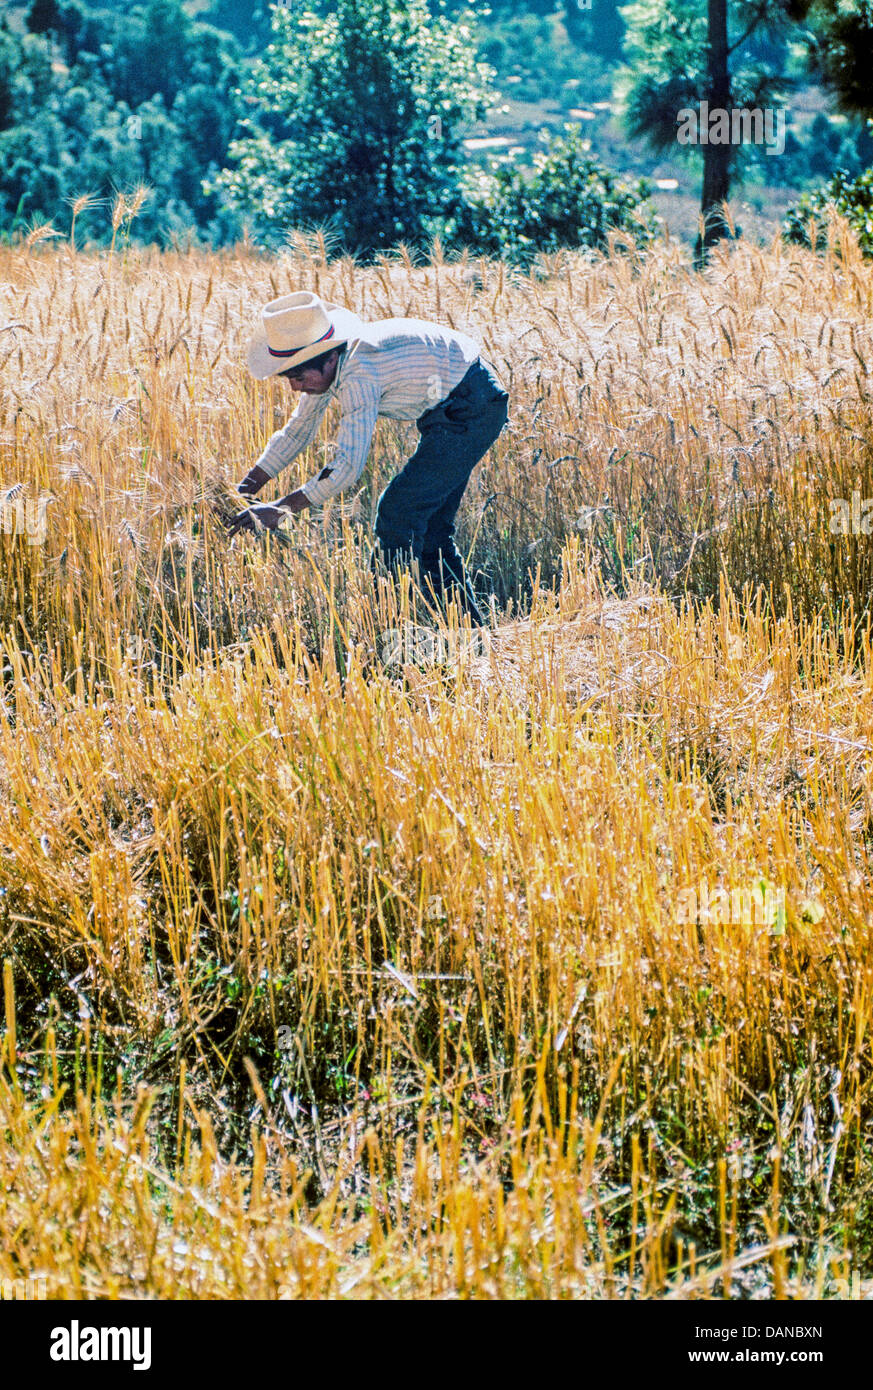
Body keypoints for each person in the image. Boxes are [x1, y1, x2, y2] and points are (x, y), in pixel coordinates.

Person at [229, 291, 509, 625]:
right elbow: (297, 432)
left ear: (329, 359)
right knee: (430, 524)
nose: (294, 388)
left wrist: (280, 509)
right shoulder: (332, 366)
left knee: (399, 511)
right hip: (453, 403)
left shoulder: (359, 372)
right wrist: (243, 490)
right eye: (289, 377)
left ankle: (390, 623)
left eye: (299, 378)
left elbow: (347, 466)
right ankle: (467, 630)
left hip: (472, 405)